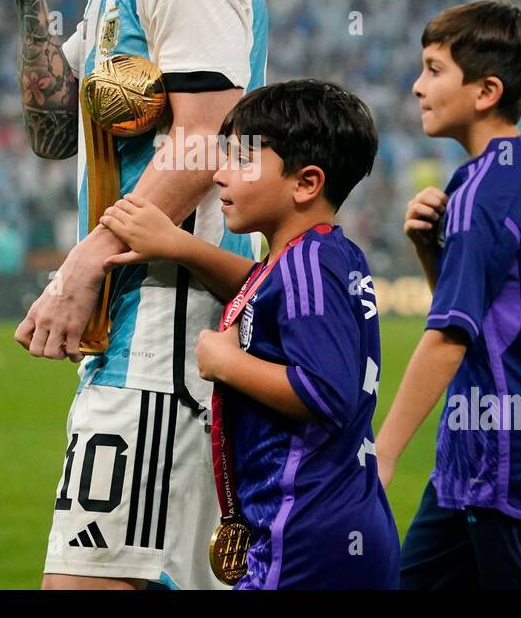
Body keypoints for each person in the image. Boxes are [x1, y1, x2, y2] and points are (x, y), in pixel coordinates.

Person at [0, 0, 268, 590]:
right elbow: (52, 130)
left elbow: (203, 139)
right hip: (139, 345)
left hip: (169, 345)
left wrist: (83, 264)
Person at [100, 80, 398, 589]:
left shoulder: (309, 265)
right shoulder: (319, 255)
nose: (219, 173)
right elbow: (258, 289)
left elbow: (326, 390)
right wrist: (179, 245)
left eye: (241, 159)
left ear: (305, 183)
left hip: (302, 533)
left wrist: (226, 363)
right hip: (332, 522)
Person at [375, 0, 521, 589]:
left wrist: (382, 454)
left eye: (434, 70)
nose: (418, 87)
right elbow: (487, 318)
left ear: (486, 90)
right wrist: (428, 253)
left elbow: (448, 337)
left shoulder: (484, 189)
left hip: (508, 450)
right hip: (475, 447)